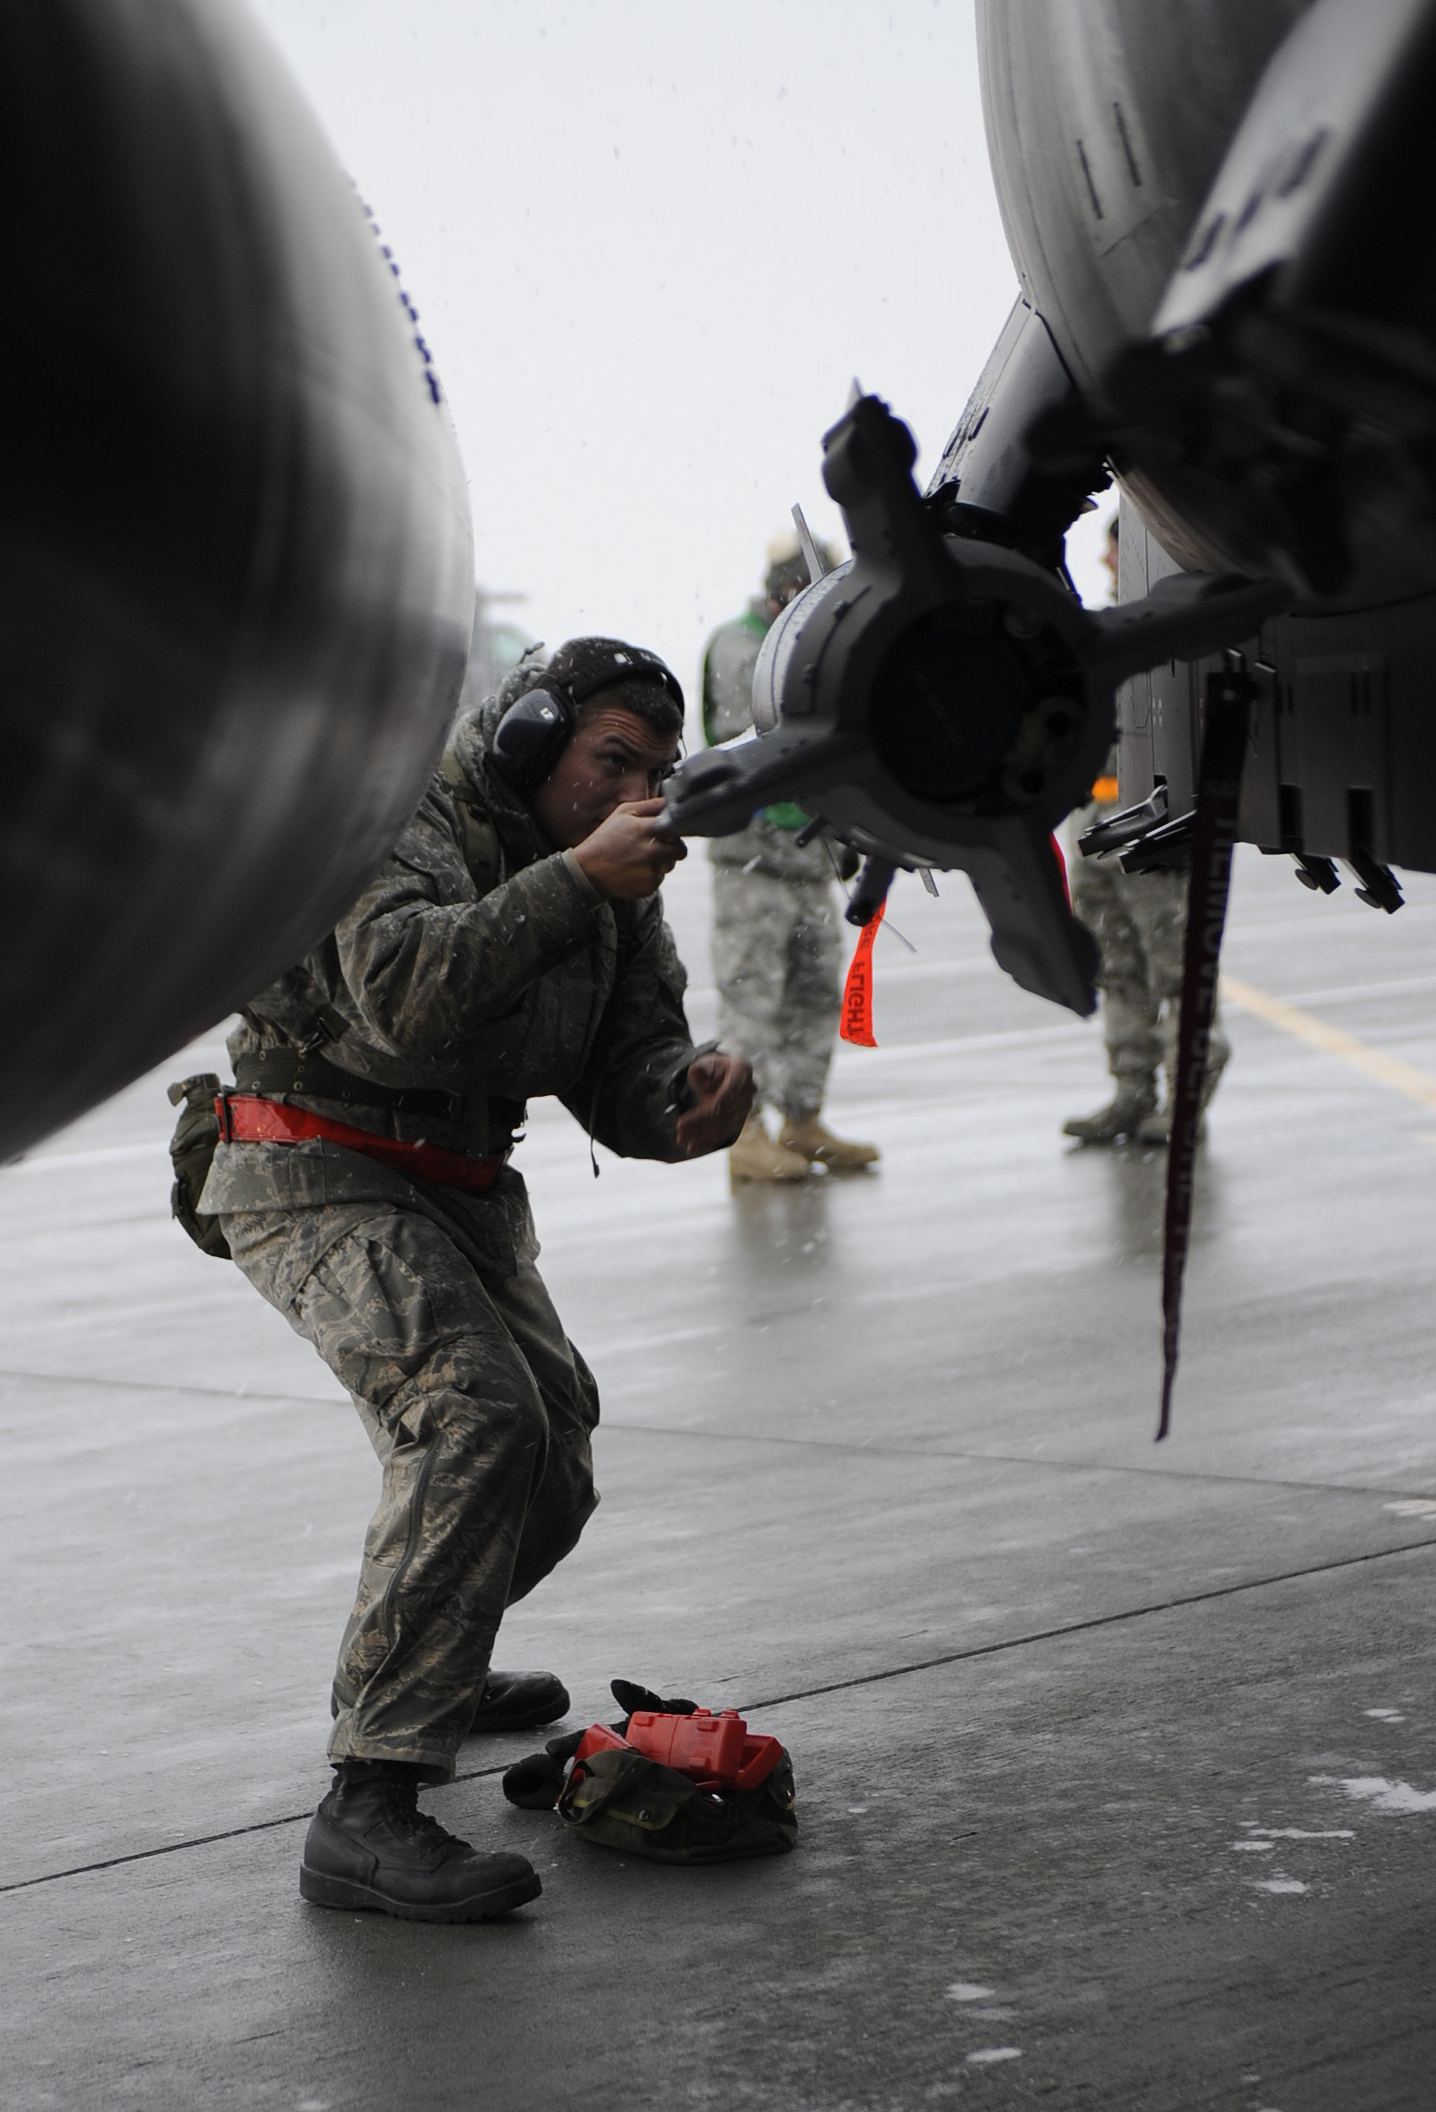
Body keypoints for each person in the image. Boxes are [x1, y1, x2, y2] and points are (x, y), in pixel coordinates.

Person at [197, 637, 752, 1922]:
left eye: (656, 769)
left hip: (454, 1180)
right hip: (311, 1160)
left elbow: (629, 1058)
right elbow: (398, 996)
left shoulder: (614, 877)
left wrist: (685, 1101)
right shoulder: (396, 812)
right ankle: (369, 1812)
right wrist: (574, 882)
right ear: (527, 737)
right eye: (613, 759)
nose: (638, 789)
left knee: (553, 1458)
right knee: (474, 1418)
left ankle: (422, 1661)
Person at [702, 532, 880, 1183]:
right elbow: (756, 738)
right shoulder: (742, 646)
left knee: (811, 992)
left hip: (807, 862)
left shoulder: (805, 652)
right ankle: (743, 1132)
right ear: (785, 593)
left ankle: (802, 1121)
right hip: (753, 861)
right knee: (751, 998)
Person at [1065, 517, 1229, 1144]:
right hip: (1096, 822)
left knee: (1176, 968)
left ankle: (1188, 1099)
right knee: (1117, 968)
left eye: (1114, 543)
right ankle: (1131, 1089)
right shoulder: (1098, 630)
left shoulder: (1169, 633)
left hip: (1153, 824)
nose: (1107, 555)